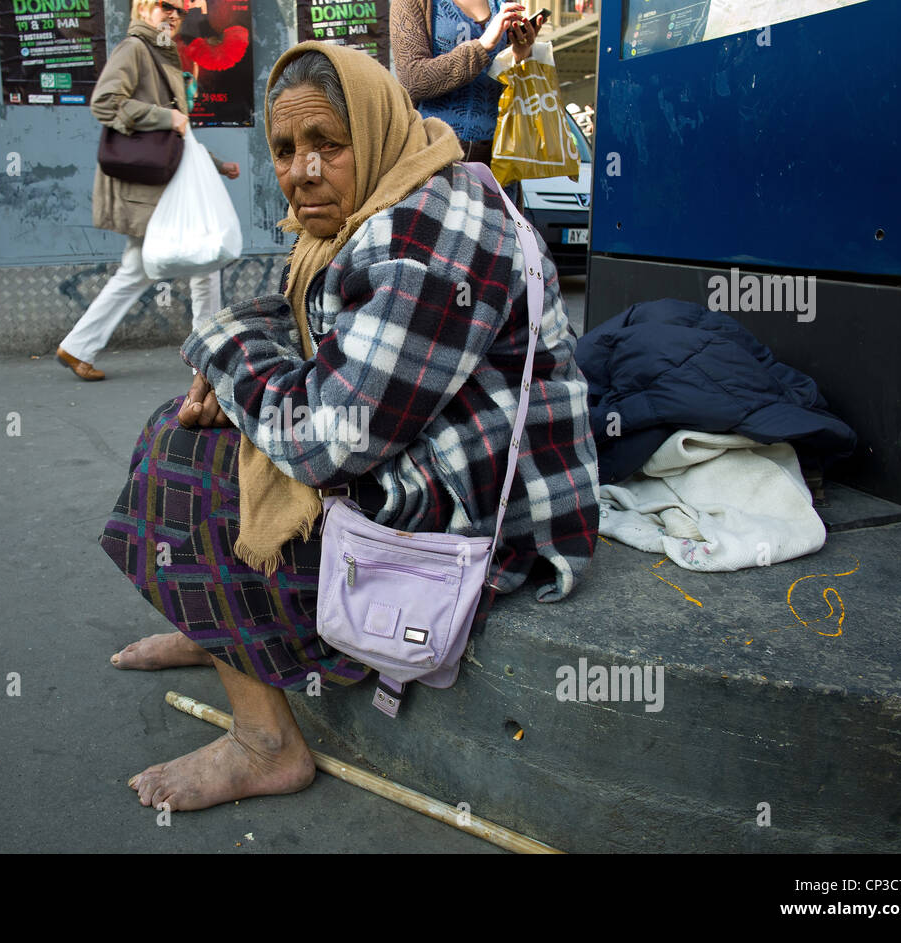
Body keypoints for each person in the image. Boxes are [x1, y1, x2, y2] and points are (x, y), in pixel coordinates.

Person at [99, 43, 599, 812]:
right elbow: (310, 317)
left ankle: (267, 741)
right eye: (285, 149)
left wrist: (222, 353)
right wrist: (229, 360)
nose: (301, 170)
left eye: (327, 144)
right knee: (187, 422)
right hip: (422, 450)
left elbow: (329, 439)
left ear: (374, 127)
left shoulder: (432, 233)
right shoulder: (392, 191)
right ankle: (220, 628)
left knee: (190, 463)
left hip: (478, 511)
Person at [56, 0, 241, 382]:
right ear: (142, 10)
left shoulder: (162, 54)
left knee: (180, 265)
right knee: (195, 261)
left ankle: (79, 347)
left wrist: (216, 164)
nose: (173, 14)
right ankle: (205, 354)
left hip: (160, 184)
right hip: (147, 188)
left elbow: (177, 136)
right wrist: (164, 115)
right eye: (163, 6)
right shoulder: (135, 49)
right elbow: (105, 104)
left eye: (178, 9)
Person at [391, 0, 544, 186]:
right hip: (434, 160)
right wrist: (483, 45)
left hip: (499, 161)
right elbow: (413, 79)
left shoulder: (503, 3)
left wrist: (520, 53)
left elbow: (510, 89)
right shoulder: (414, 3)